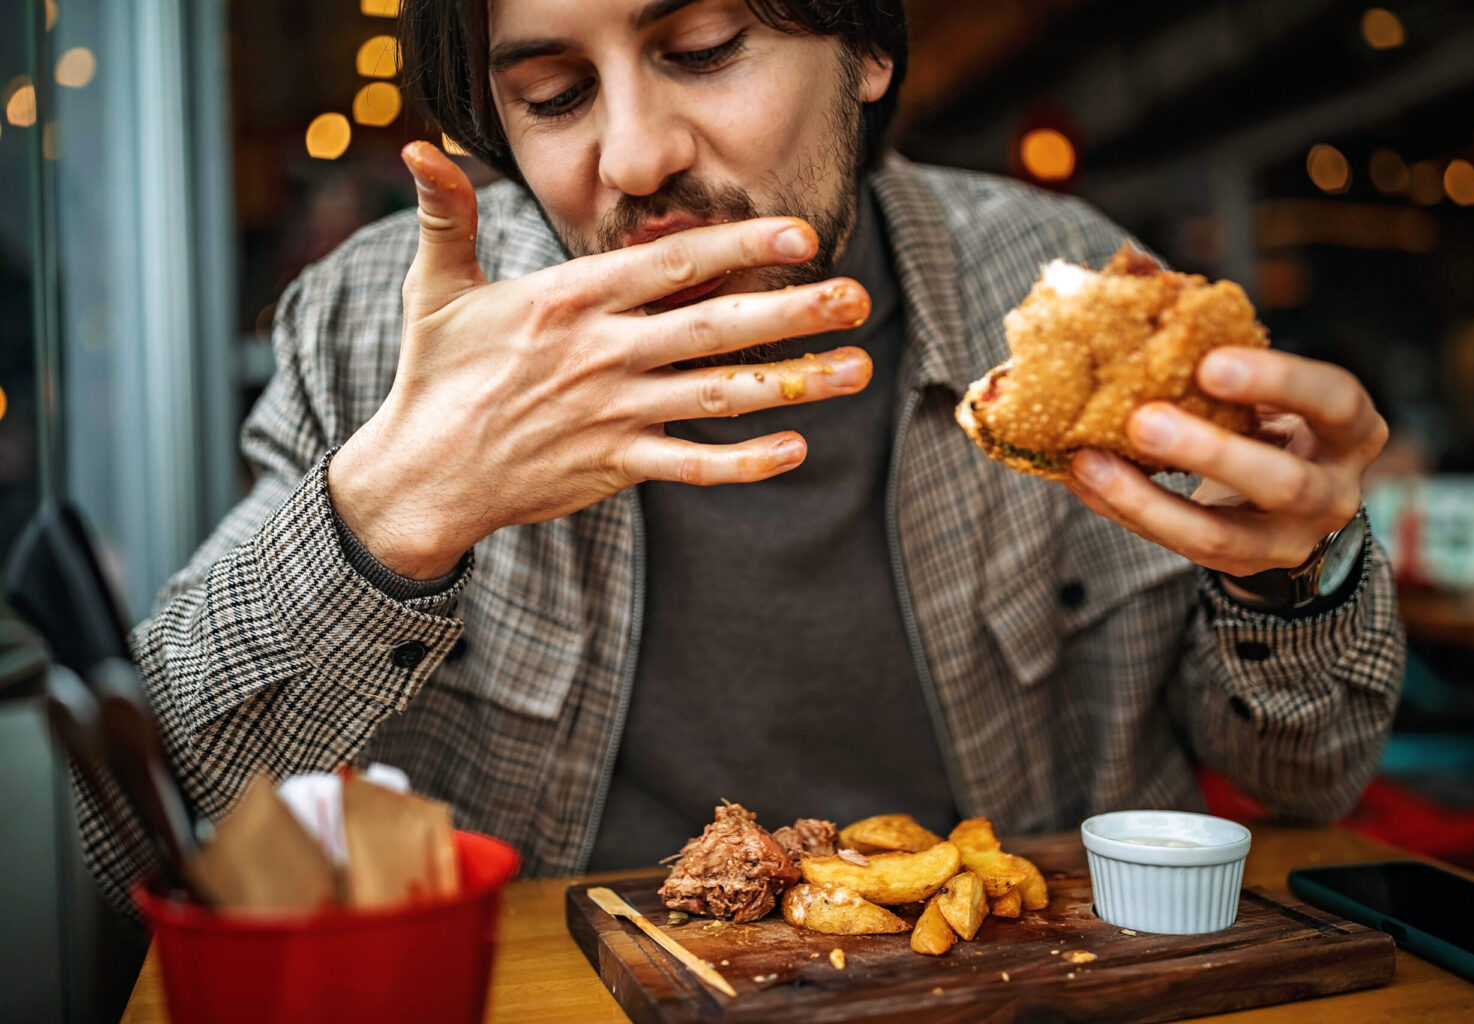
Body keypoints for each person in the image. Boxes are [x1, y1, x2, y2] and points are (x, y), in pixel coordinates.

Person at [81, 0, 1404, 910]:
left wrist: (1300, 577)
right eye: (549, 96)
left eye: (705, 47)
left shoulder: (1067, 298)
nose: (636, 156)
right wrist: (388, 518)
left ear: (866, 49)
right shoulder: (379, 328)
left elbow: (1312, 778)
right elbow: (125, 833)